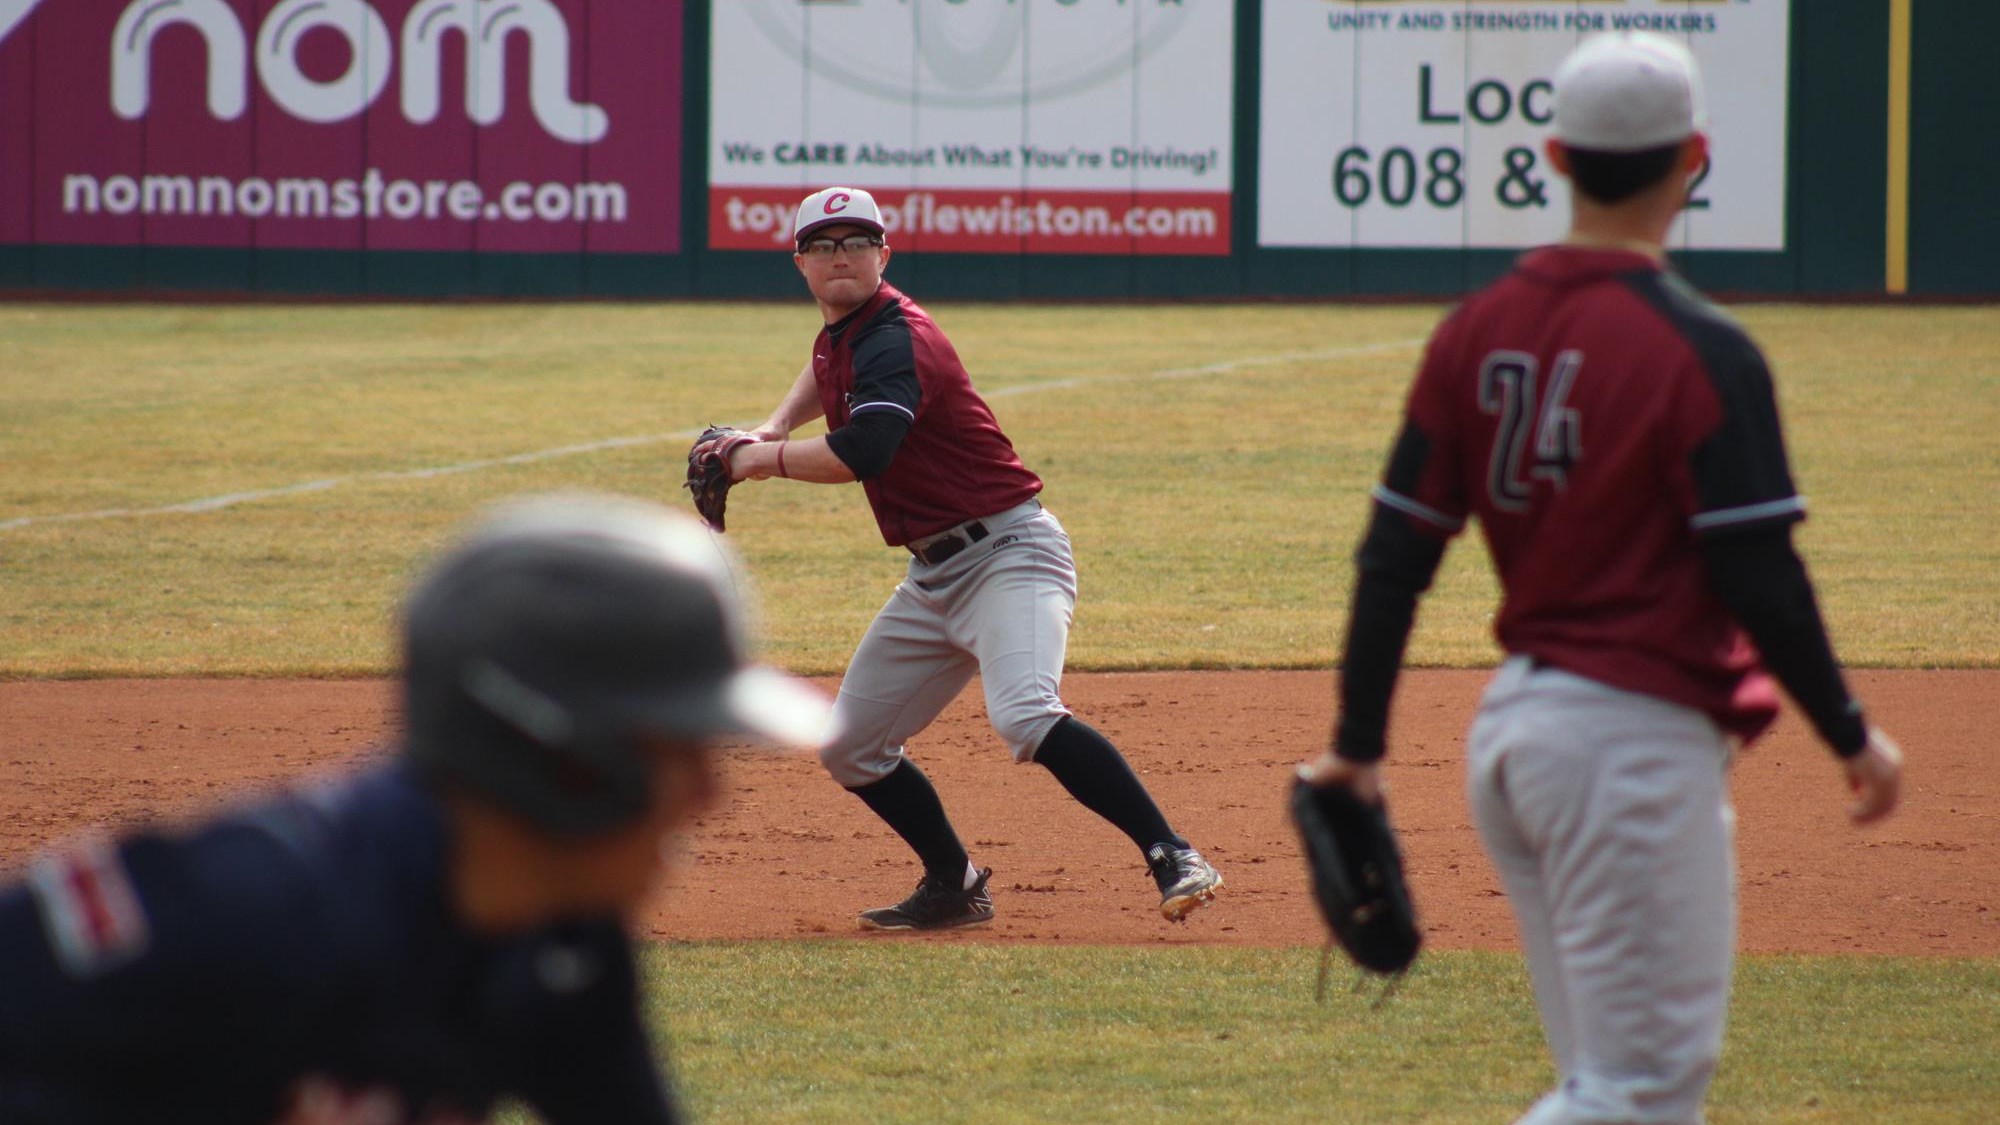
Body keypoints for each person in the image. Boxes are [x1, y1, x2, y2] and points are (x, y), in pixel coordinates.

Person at [1299, 33, 1904, 1125]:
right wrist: (1851, 733)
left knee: (1603, 1085)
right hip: (1627, 753)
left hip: (1517, 741)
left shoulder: (1471, 332)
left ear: (1556, 159)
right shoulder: (1702, 350)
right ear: (1695, 159)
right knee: (1639, 1096)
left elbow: (1393, 557)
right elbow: (1759, 578)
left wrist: (1356, 745)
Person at [0, 494, 830, 1124]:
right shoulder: (233, 916)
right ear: (553, 754)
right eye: (674, 747)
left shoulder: (566, 942)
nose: (711, 794)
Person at [713, 185, 1222, 931]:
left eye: (856, 242)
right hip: (934, 576)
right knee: (851, 746)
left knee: (1024, 714)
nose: (839, 256)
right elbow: (825, 366)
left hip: (1011, 552)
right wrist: (772, 424)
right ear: (801, 264)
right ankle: (954, 883)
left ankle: (1174, 852)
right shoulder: (846, 330)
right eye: (823, 245)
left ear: (883, 255)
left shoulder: (895, 337)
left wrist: (755, 461)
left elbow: (867, 448)